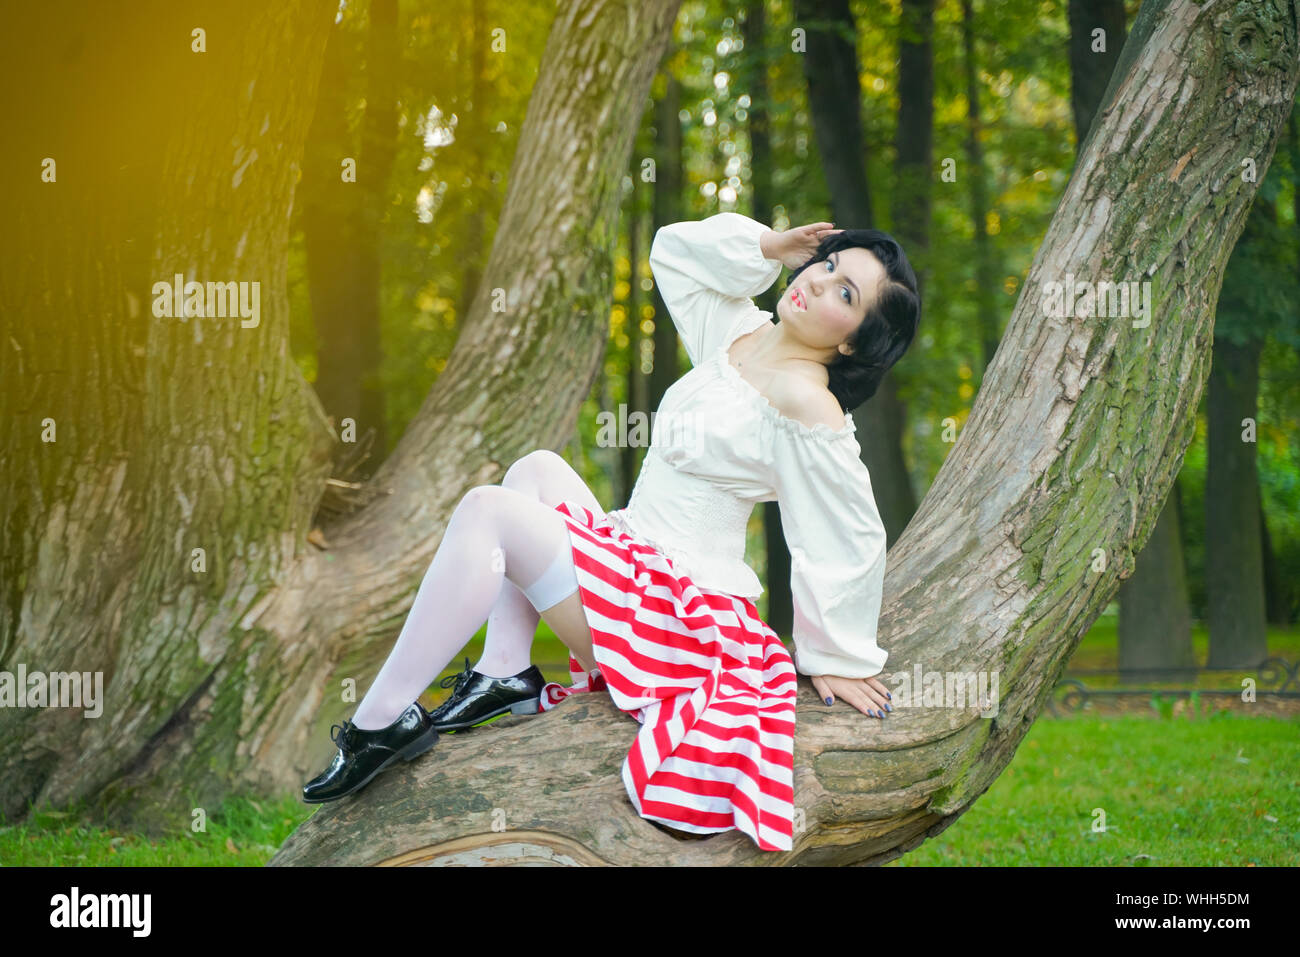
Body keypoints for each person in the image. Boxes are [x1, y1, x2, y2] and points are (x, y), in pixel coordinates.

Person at [302, 212, 921, 853]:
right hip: (635, 555)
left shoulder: (806, 401)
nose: (820, 284)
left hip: (679, 612)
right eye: (827, 266)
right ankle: (505, 670)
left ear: (854, 344)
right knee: (535, 469)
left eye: (846, 294)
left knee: (488, 511)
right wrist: (768, 245)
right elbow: (674, 253)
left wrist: (836, 658)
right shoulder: (740, 334)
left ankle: (378, 724)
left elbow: (845, 532)